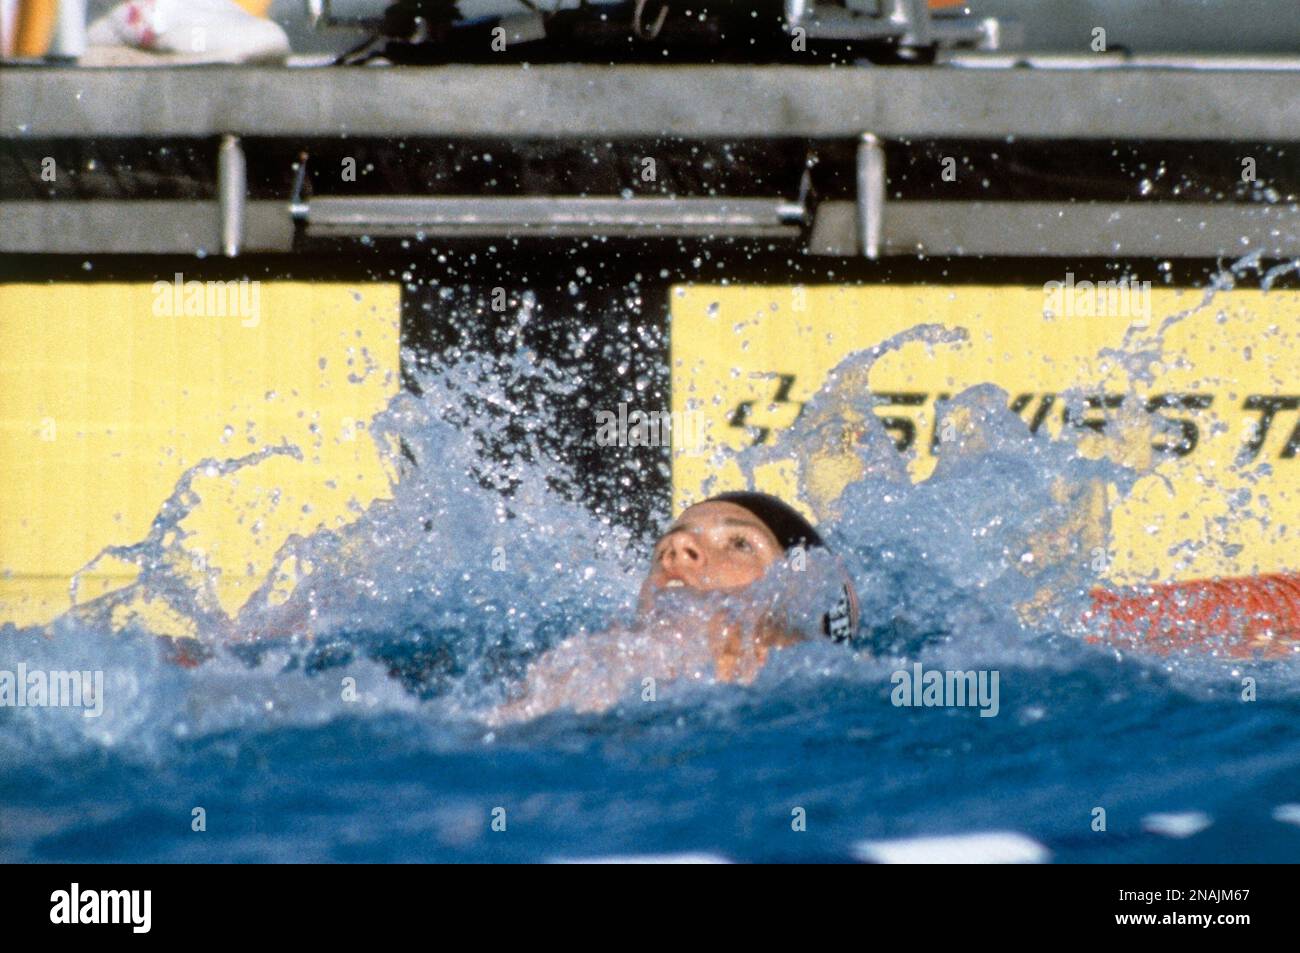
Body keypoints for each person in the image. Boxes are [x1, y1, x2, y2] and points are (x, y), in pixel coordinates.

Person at [487, 492, 859, 723]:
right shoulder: (581, 668)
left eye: (740, 544)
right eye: (664, 548)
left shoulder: (820, 699)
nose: (679, 546)